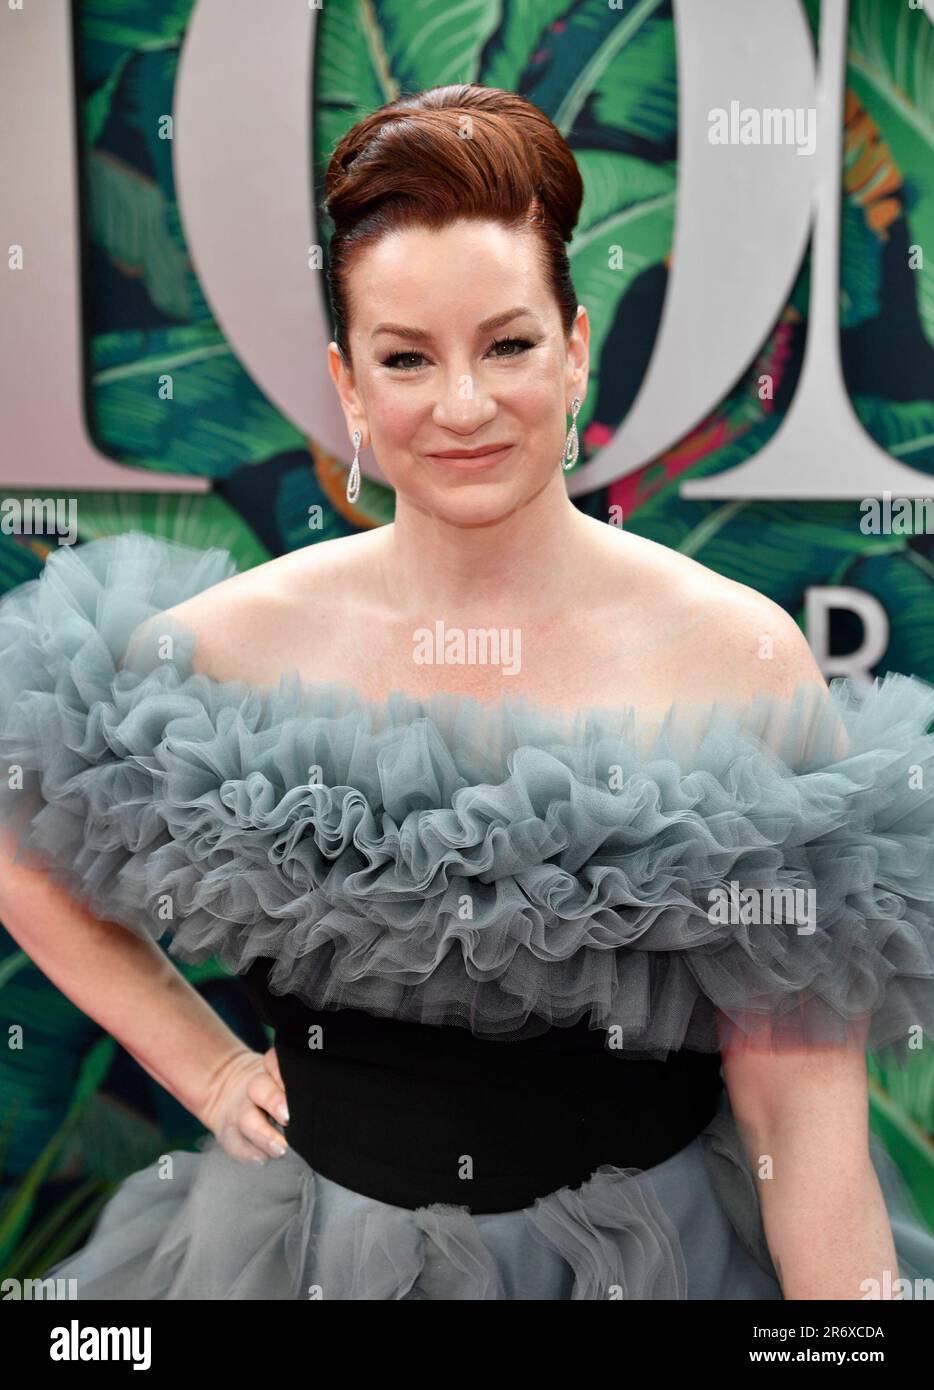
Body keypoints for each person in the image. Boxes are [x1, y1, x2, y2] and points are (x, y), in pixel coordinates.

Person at [1, 83, 933, 1301]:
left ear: (577, 350)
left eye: (507, 344)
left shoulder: (734, 656)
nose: (460, 405)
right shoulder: (233, 643)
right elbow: (23, 835)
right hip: (307, 1260)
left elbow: (798, 1112)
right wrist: (211, 1070)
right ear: (348, 387)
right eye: (406, 358)